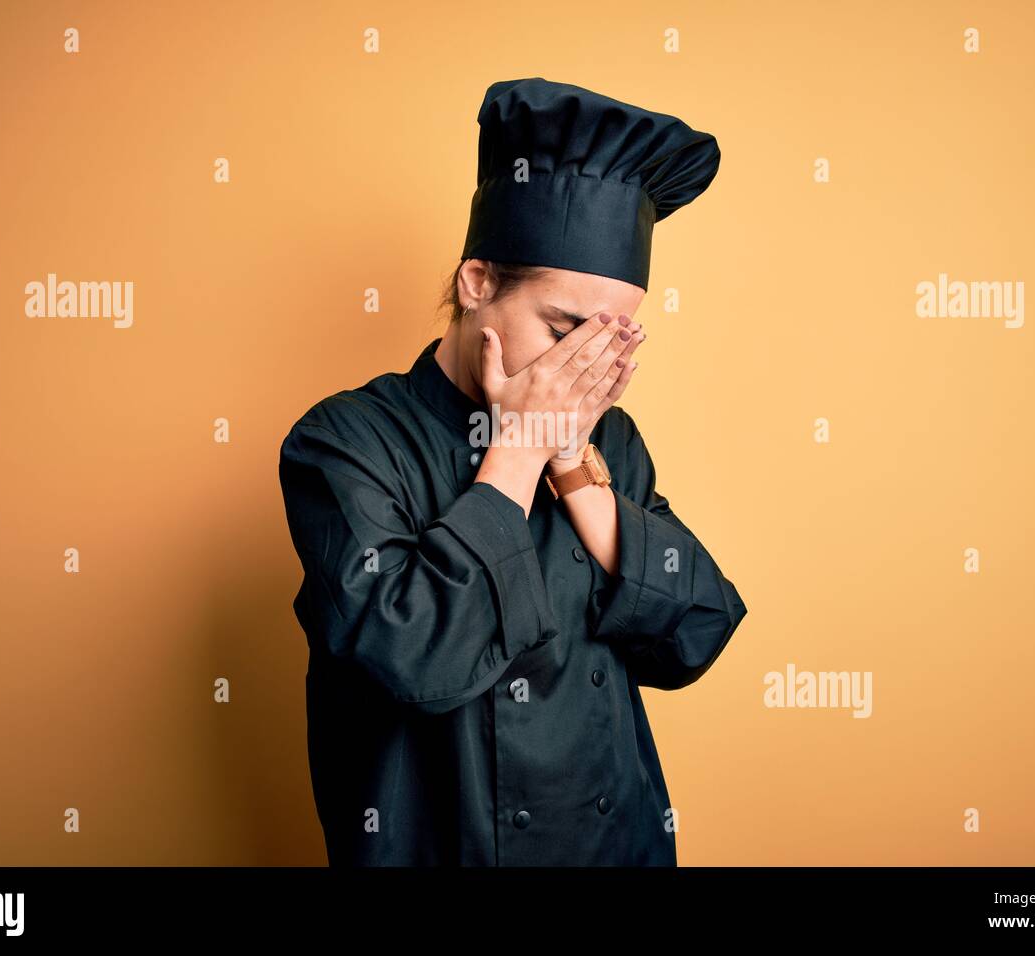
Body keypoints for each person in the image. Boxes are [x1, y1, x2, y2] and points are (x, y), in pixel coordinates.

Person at [279, 77, 747, 866]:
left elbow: (694, 634)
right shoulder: (346, 441)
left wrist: (570, 460)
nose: (585, 364)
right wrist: (520, 447)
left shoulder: (612, 445)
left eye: (612, 338)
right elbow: (414, 658)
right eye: (563, 328)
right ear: (478, 283)